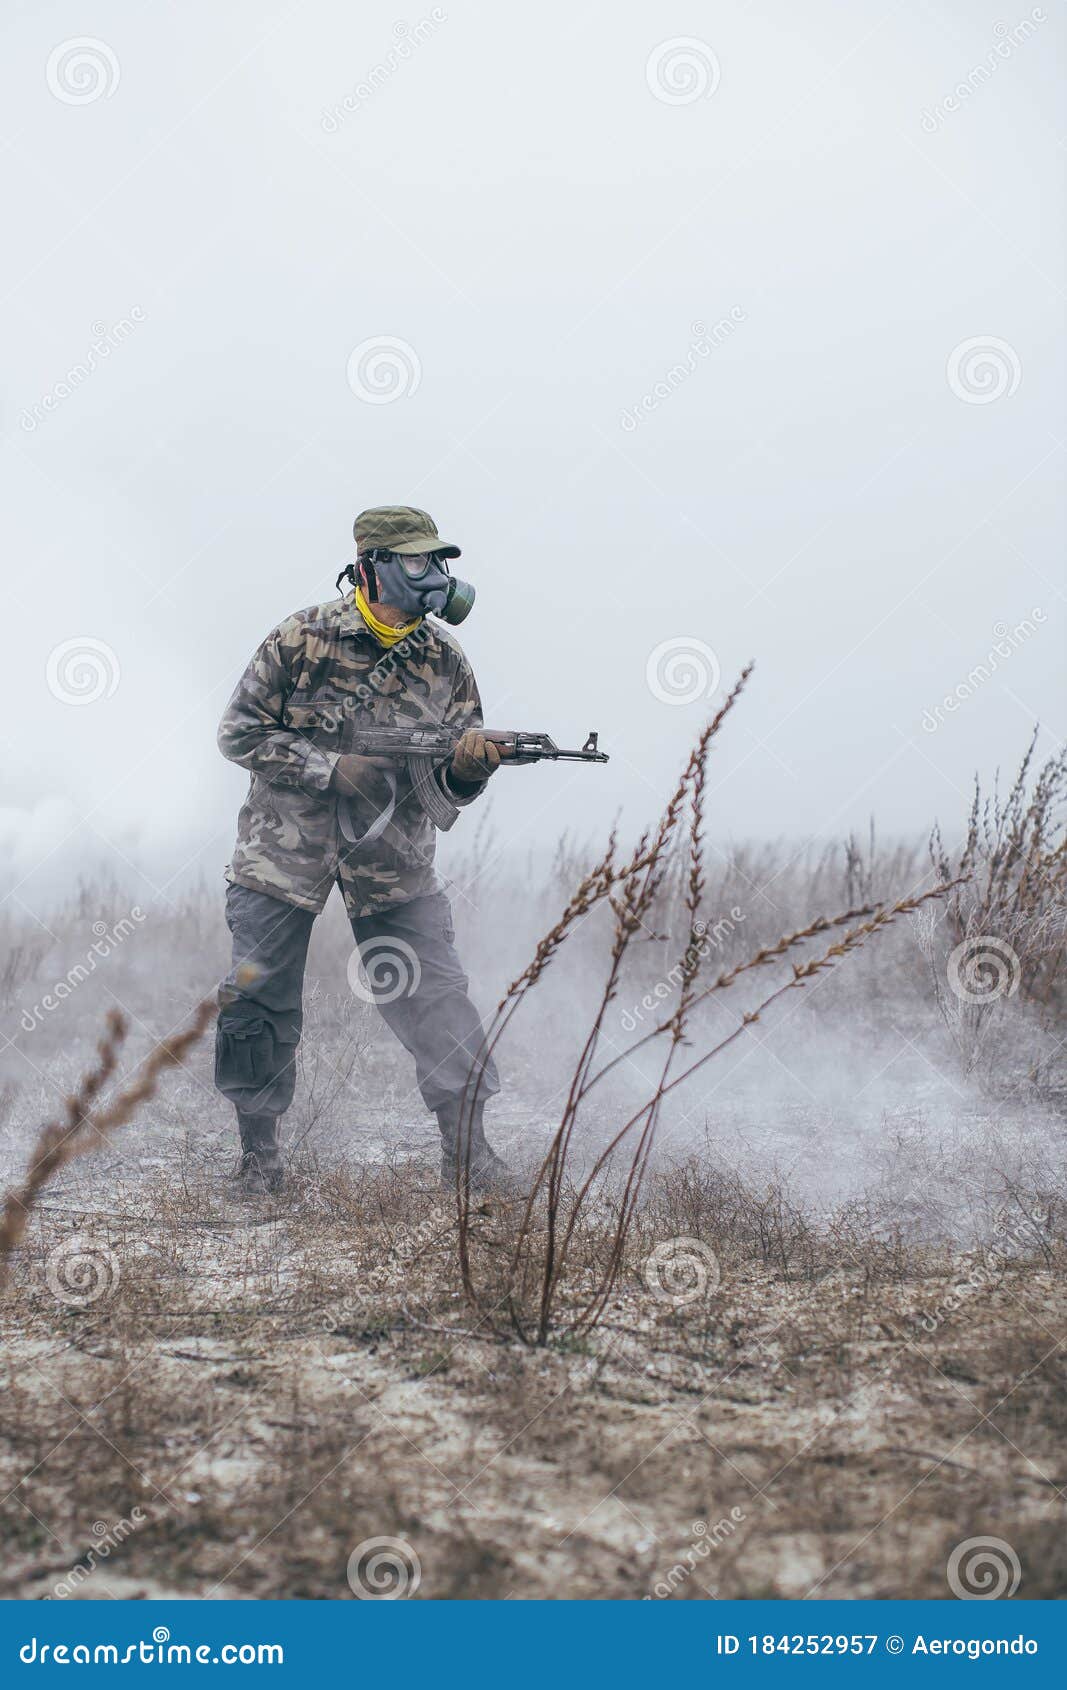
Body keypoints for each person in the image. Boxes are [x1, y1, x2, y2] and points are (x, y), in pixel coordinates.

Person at [215, 505, 511, 1195]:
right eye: (416, 562)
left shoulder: (443, 657)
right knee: (257, 1001)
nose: (433, 576)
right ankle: (258, 1159)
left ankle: (468, 1153)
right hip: (281, 856)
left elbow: (448, 786)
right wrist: (327, 768)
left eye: (438, 562)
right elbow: (238, 733)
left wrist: (471, 769)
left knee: (436, 998)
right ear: (372, 566)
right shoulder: (300, 637)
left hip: (394, 863)